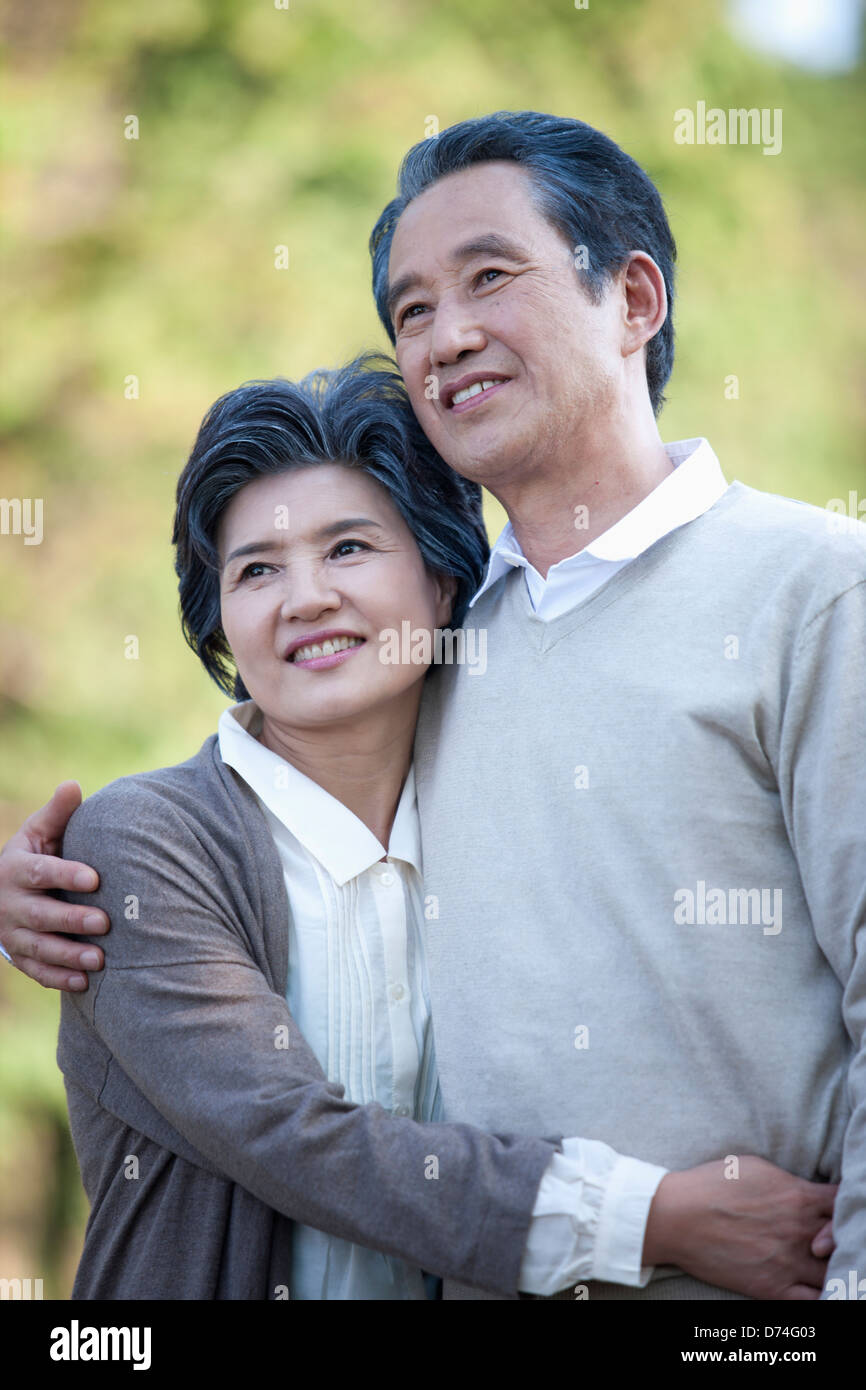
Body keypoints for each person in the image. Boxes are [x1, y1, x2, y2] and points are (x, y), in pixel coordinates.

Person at [0, 112, 849, 1299]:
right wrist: (55, 882)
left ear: (632, 298)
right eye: (409, 310)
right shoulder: (440, 651)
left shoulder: (813, 589)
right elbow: (254, 856)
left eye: (489, 277)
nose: (446, 335)